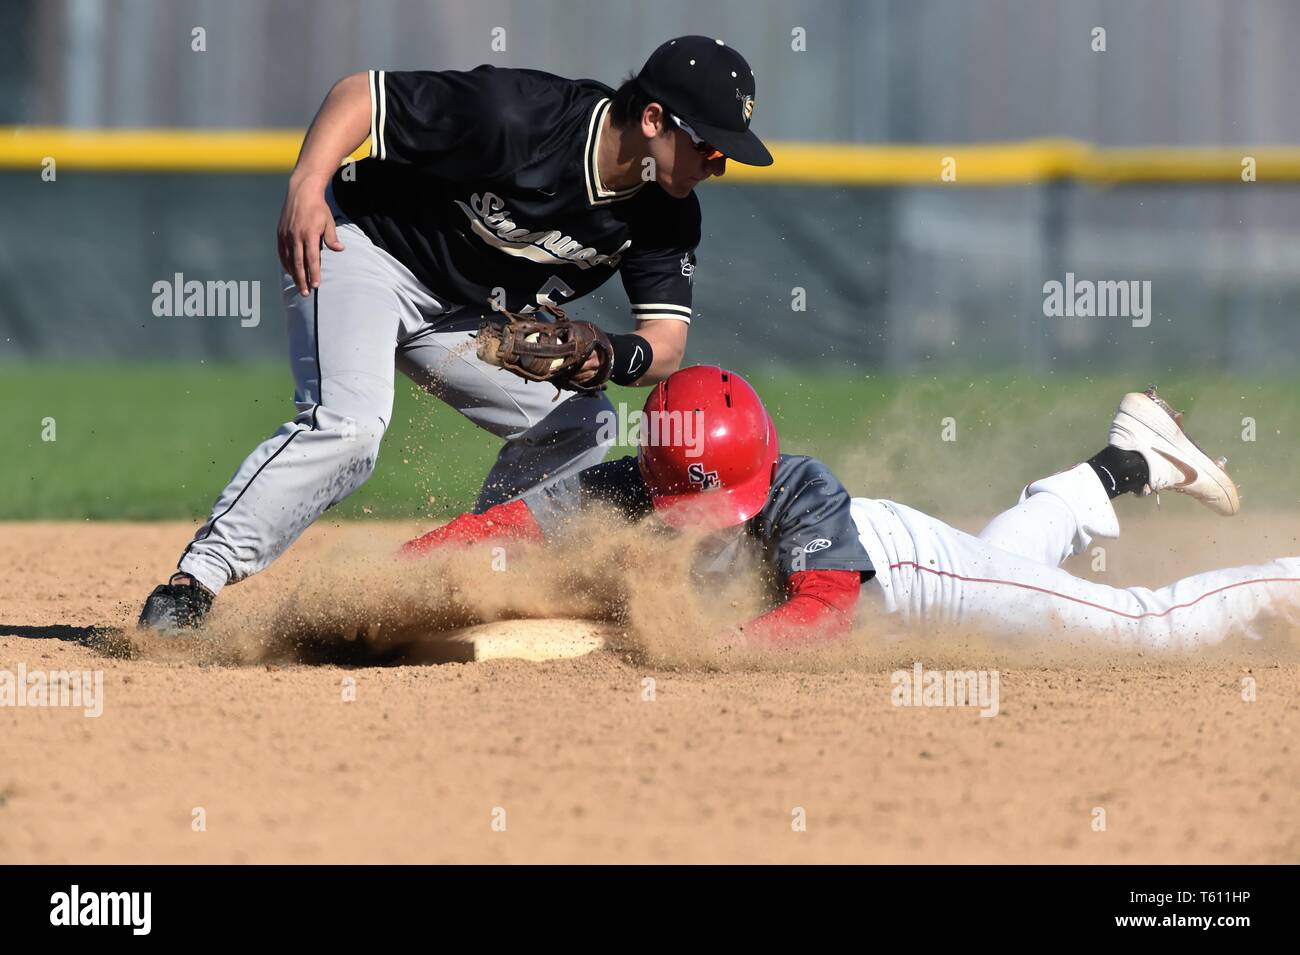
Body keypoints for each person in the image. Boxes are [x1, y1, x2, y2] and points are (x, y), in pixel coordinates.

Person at [138, 37, 773, 632]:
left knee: (583, 424)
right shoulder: (520, 117)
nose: (716, 165)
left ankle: (471, 572)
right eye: (709, 147)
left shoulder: (668, 212)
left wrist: (608, 353)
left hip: (466, 315)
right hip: (363, 250)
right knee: (350, 427)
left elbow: (665, 343)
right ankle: (194, 584)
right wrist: (306, 183)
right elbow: (361, 95)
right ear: (655, 120)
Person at [402, 366, 1299, 649]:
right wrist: (395, 578)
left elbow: (822, 612)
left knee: (1145, 627)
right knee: (1015, 555)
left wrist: (702, 649)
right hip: (929, 557)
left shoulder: (802, 489)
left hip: (917, 573)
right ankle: (1128, 457)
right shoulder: (636, 480)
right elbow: (500, 525)